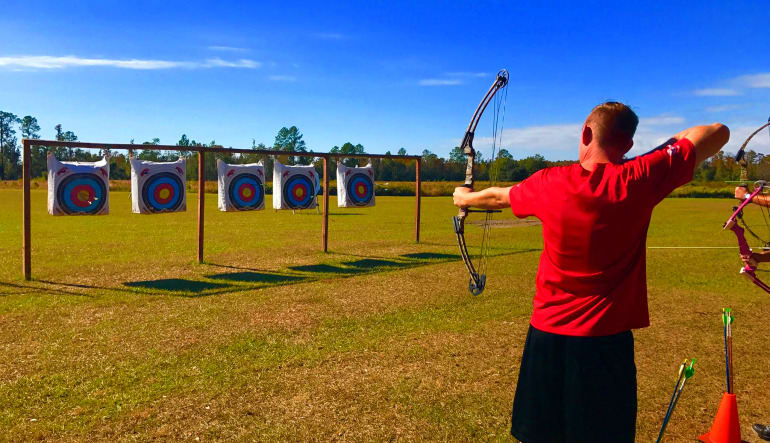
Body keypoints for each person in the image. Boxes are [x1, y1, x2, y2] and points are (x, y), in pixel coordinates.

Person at [453, 102, 730, 442]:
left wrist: (464, 199)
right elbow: (717, 131)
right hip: (605, 342)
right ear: (627, 144)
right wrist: (653, 155)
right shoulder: (641, 176)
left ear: (585, 133)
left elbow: (498, 198)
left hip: (547, 338)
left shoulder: (549, 182)